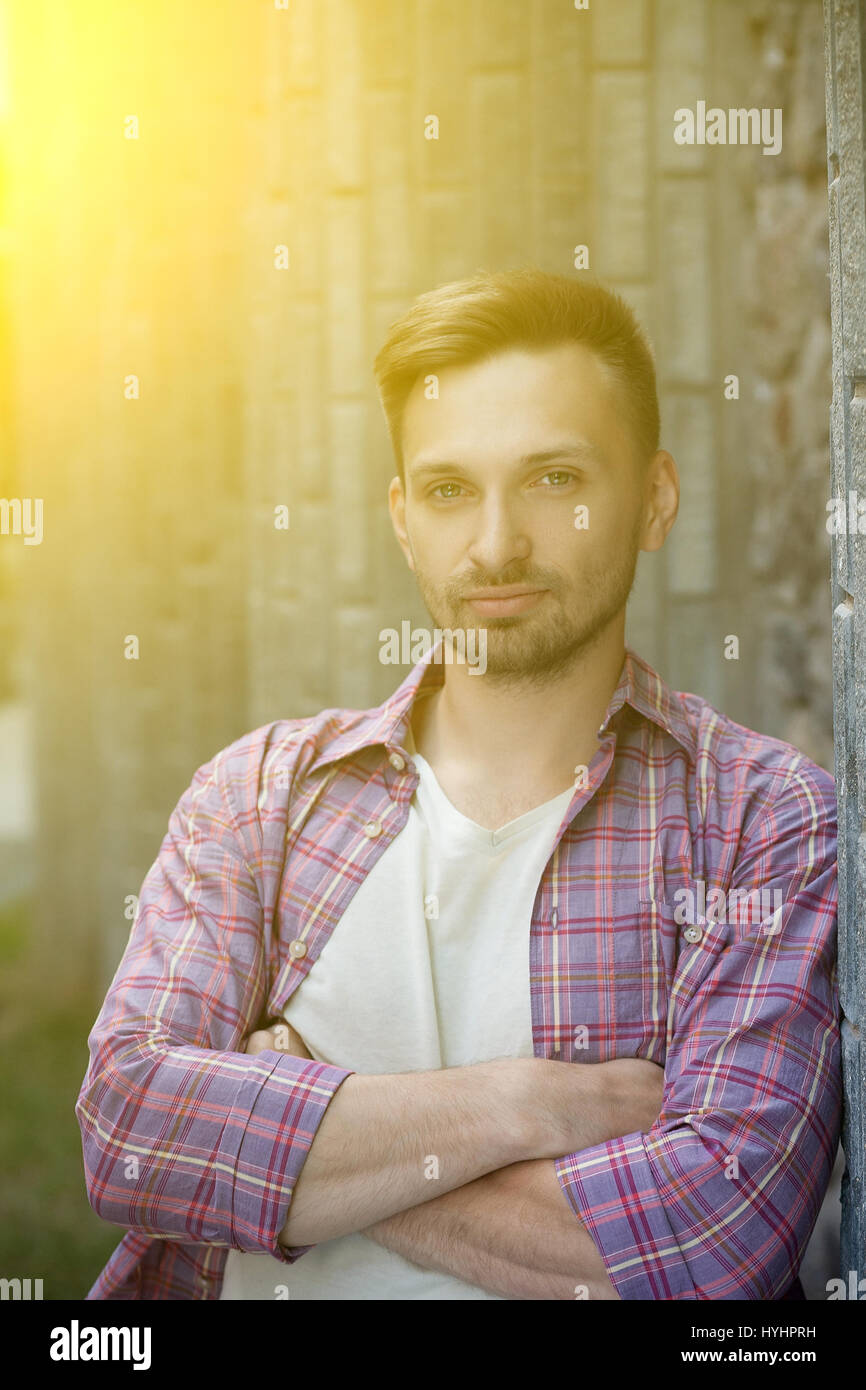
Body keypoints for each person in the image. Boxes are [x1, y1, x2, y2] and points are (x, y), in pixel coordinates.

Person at [77, 268, 840, 1300]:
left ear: (654, 498)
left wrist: (297, 1111)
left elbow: (706, 1249)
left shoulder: (763, 822)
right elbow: (131, 1131)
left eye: (553, 479)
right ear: (401, 518)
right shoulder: (257, 794)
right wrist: (524, 1105)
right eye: (447, 491)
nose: (494, 544)